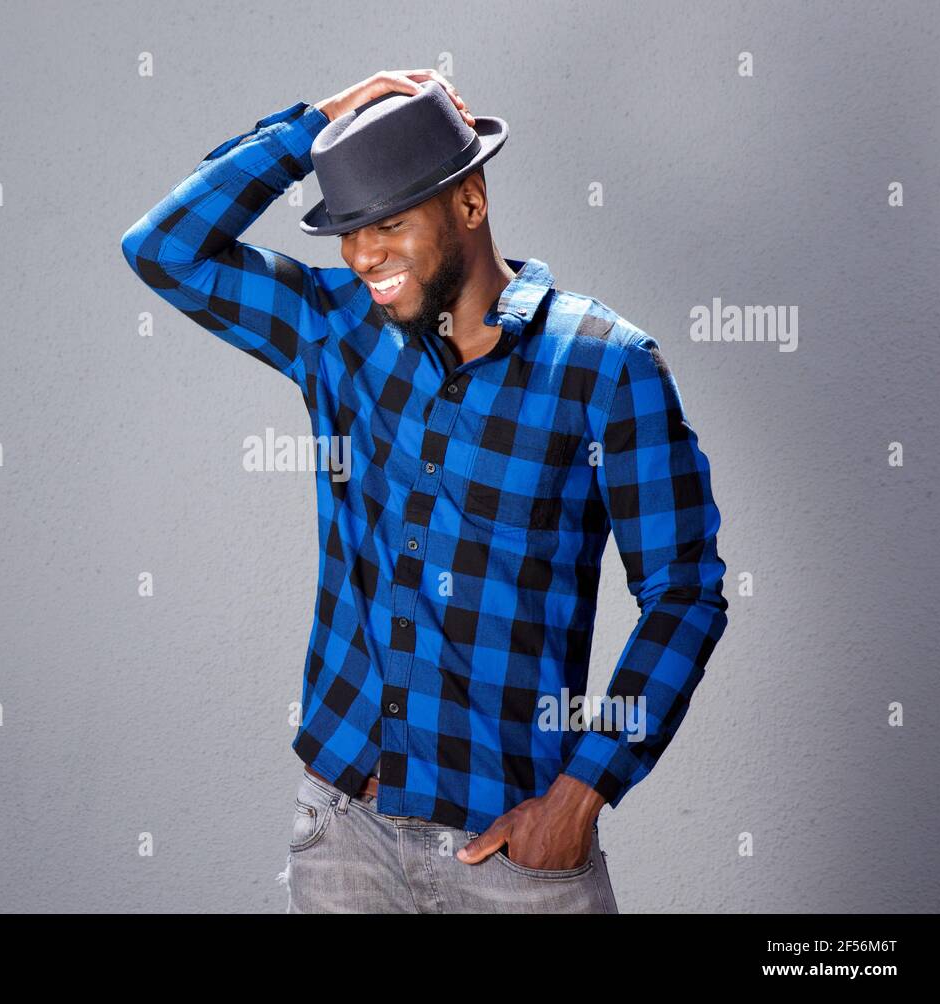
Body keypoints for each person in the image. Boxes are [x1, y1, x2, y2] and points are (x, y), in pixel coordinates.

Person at [120, 70, 730, 913]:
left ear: (470, 204)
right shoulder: (335, 326)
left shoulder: (603, 365)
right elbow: (162, 249)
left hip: (513, 855)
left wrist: (582, 794)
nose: (363, 254)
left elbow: (685, 594)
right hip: (342, 834)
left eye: (390, 223)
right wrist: (311, 131)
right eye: (349, 230)